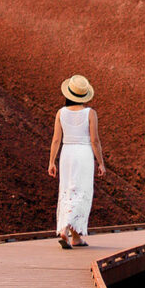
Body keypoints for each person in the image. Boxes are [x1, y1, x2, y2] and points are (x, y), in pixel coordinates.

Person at [48, 74, 106, 248]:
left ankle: (70, 234)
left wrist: (52, 162)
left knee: (67, 190)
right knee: (81, 191)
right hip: (83, 154)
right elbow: (95, 140)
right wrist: (101, 162)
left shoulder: (61, 113)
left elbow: (56, 140)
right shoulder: (90, 113)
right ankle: (70, 233)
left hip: (66, 154)